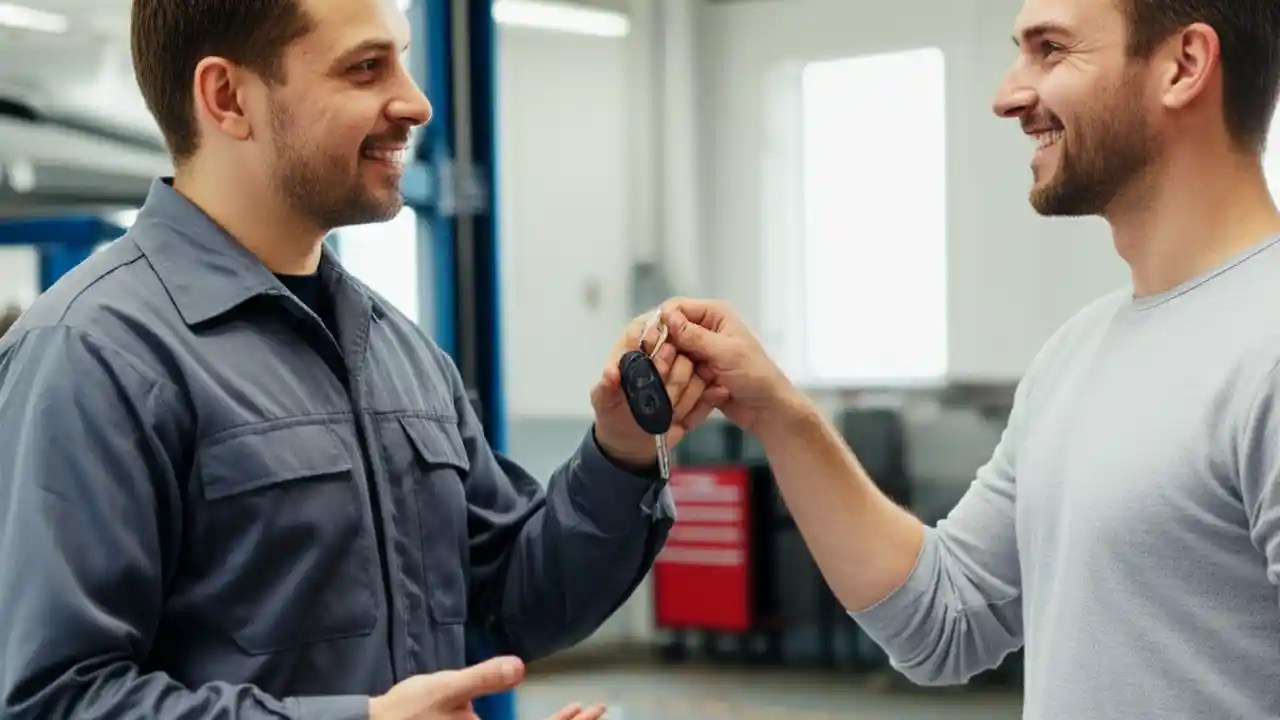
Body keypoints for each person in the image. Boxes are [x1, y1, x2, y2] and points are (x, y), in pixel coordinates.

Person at [0, 0, 715, 718]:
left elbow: (513, 601)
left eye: (402, 59)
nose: (416, 101)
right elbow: (53, 700)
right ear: (227, 97)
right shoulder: (93, 356)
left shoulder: (397, 352)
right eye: (366, 68)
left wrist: (621, 453)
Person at [658, 0, 1280, 717]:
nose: (1007, 95)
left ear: (1185, 65)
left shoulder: (1264, 351)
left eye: (1051, 50)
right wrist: (776, 411)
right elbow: (944, 621)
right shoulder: (1072, 357)